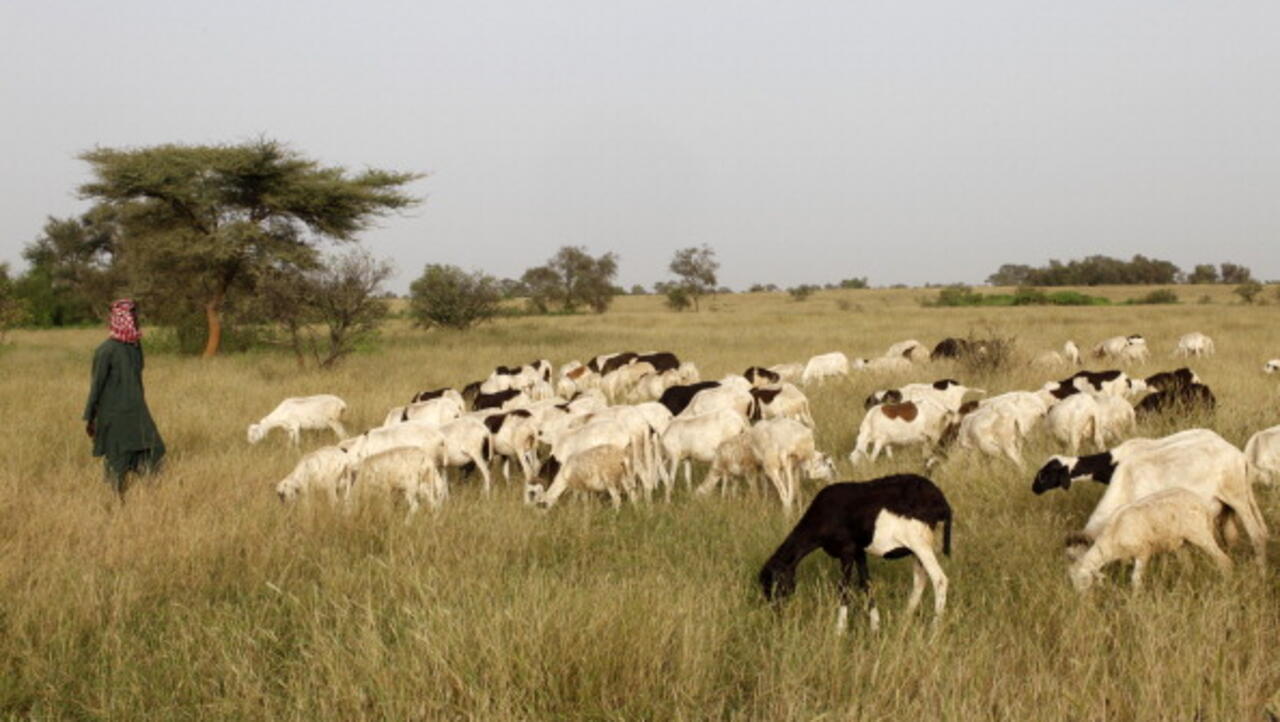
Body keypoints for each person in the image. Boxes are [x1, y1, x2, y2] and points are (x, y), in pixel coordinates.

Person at [83, 299, 165, 498]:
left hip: (136, 409)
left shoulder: (134, 347)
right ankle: (114, 499)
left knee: (154, 448)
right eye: (132, 316)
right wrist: (90, 416)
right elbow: (97, 386)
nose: (136, 320)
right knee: (118, 455)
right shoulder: (106, 350)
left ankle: (147, 494)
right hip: (113, 411)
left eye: (136, 316)